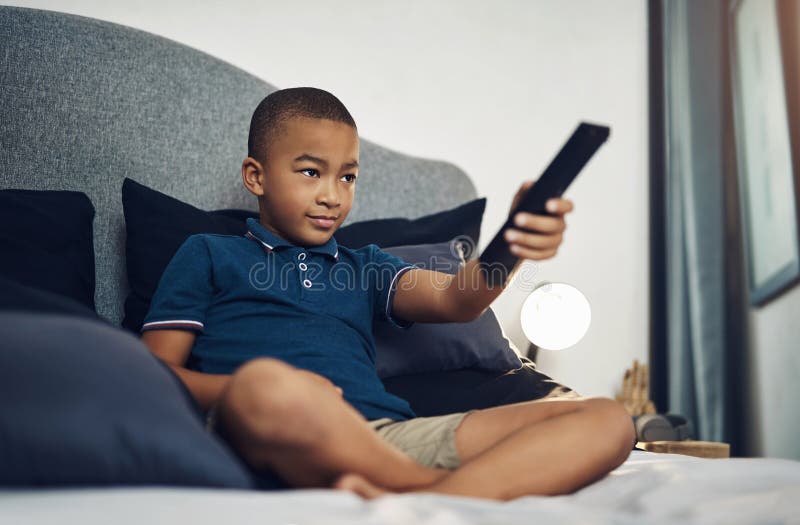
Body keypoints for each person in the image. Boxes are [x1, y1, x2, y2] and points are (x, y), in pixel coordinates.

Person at [140, 87, 635, 501]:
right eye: (311, 172)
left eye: (348, 177)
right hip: (268, 422)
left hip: (387, 436)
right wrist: (240, 390)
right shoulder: (207, 253)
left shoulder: (365, 265)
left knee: (608, 419)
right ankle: (437, 494)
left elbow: (455, 300)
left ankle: (433, 497)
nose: (333, 195)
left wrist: (514, 244)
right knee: (267, 384)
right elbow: (153, 375)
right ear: (256, 176)